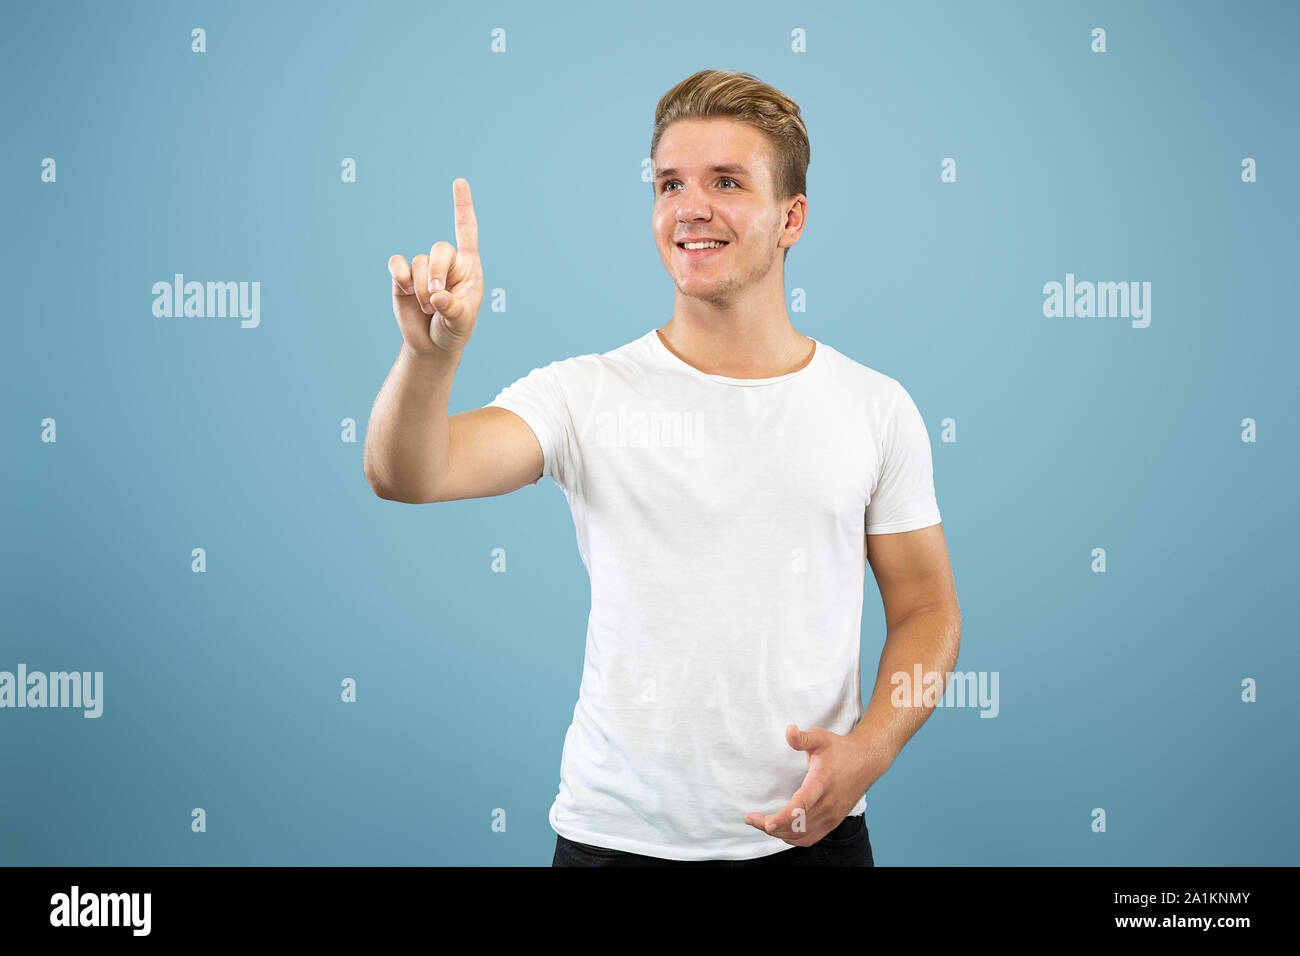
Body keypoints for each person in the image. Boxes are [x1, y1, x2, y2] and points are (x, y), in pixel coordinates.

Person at [364, 70, 961, 866]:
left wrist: (871, 752)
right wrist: (427, 357)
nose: (691, 207)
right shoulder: (583, 393)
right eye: (670, 183)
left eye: (726, 182)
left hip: (811, 839)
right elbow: (409, 474)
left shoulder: (875, 406)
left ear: (792, 218)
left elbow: (926, 608)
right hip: (611, 842)